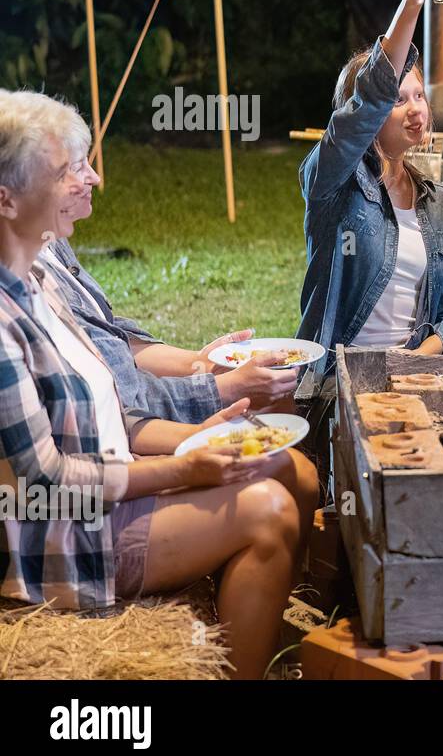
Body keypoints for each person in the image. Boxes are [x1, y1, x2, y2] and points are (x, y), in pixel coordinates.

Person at [0, 90, 315, 679]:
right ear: (7, 200)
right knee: (268, 511)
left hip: (107, 496)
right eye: (67, 169)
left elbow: (106, 406)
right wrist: (183, 467)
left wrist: (199, 435)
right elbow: (46, 483)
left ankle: (263, 650)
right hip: (63, 537)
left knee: (283, 469)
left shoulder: (40, 284)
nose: (90, 177)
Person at [298, 0, 443, 373]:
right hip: (335, 379)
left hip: (410, 376)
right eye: (397, 101)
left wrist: (409, 365)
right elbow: (366, 104)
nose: (416, 110)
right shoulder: (334, 180)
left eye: (419, 96)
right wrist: (412, 2)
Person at [34, 152, 296, 424]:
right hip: (120, 430)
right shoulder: (28, 278)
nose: (95, 176)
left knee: (276, 397)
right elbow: (121, 402)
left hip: (126, 420)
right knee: (282, 434)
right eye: (78, 166)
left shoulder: (48, 241)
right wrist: (220, 389)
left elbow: (110, 337)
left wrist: (202, 363)